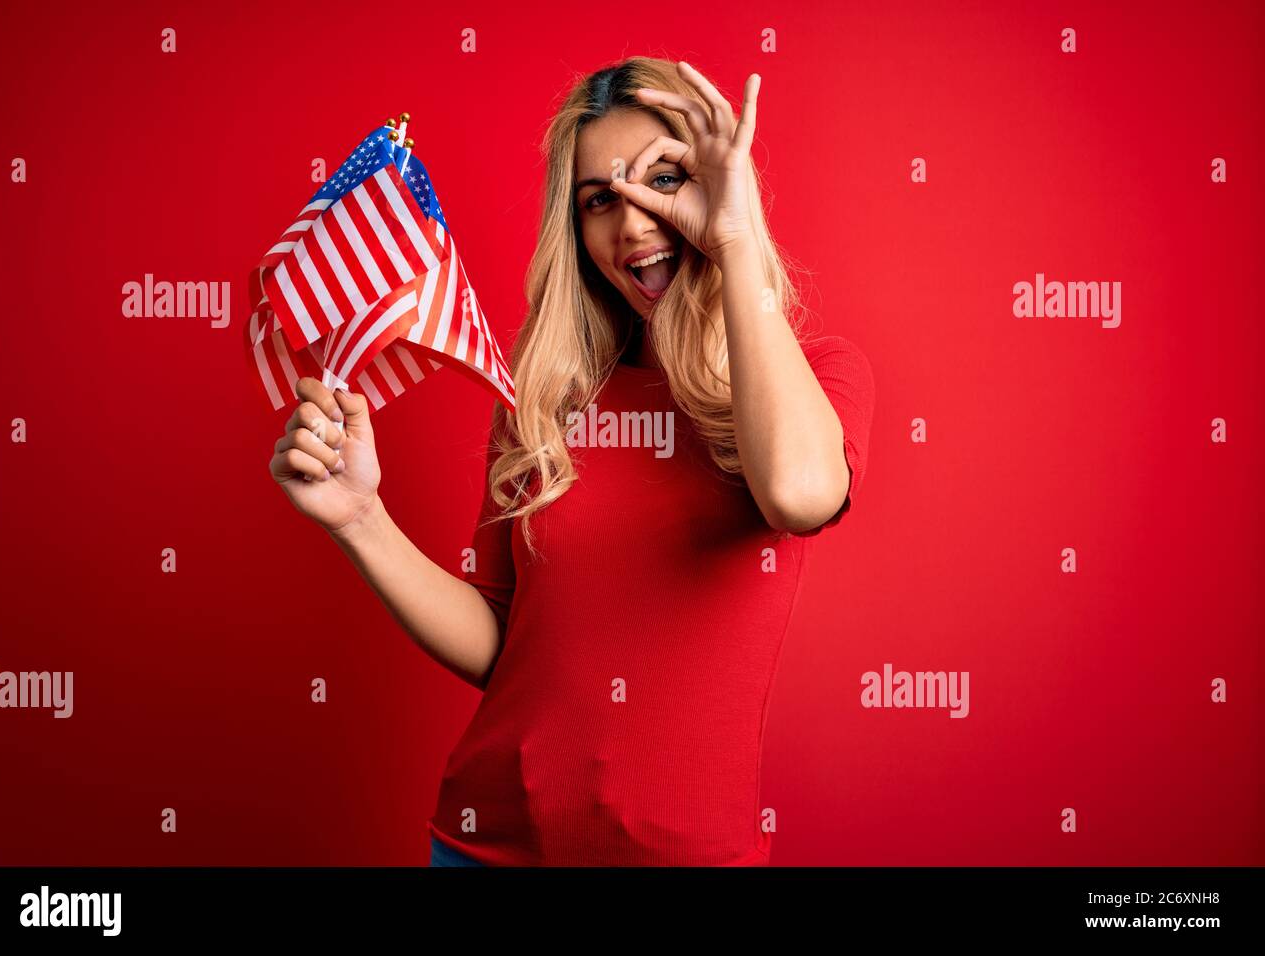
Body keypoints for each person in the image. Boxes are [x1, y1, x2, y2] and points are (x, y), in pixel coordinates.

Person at [268, 56, 875, 867]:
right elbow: (503, 641)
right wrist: (362, 519)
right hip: (486, 848)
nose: (633, 224)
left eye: (665, 179)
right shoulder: (542, 398)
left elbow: (798, 494)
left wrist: (732, 240)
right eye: (600, 201)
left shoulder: (824, 376)